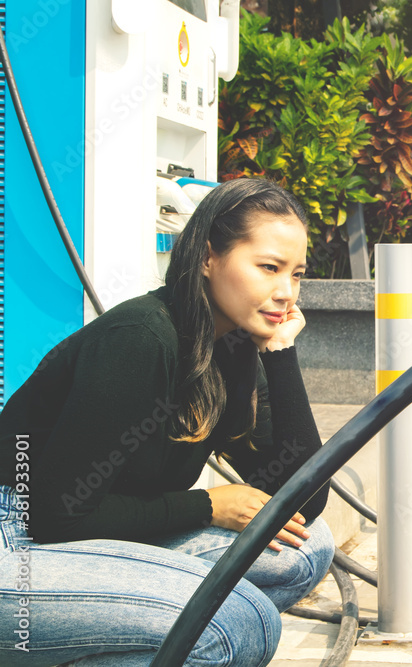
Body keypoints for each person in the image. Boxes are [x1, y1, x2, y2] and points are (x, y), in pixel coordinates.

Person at [0, 178, 334, 665]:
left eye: (297, 274)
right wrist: (206, 506)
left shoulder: (234, 347)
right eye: (268, 268)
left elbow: (302, 500)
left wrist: (282, 356)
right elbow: (54, 516)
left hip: (87, 531)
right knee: (238, 623)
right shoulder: (140, 339)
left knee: (304, 550)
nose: (286, 293)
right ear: (206, 257)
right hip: (20, 539)